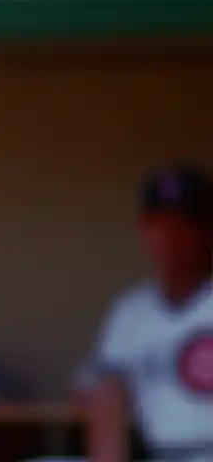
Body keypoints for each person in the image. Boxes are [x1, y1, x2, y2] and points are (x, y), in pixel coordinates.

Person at [81, 164, 213, 462]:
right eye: (158, 223)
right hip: (161, 453)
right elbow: (107, 397)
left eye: (183, 224)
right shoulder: (130, 312)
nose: (169, 237)